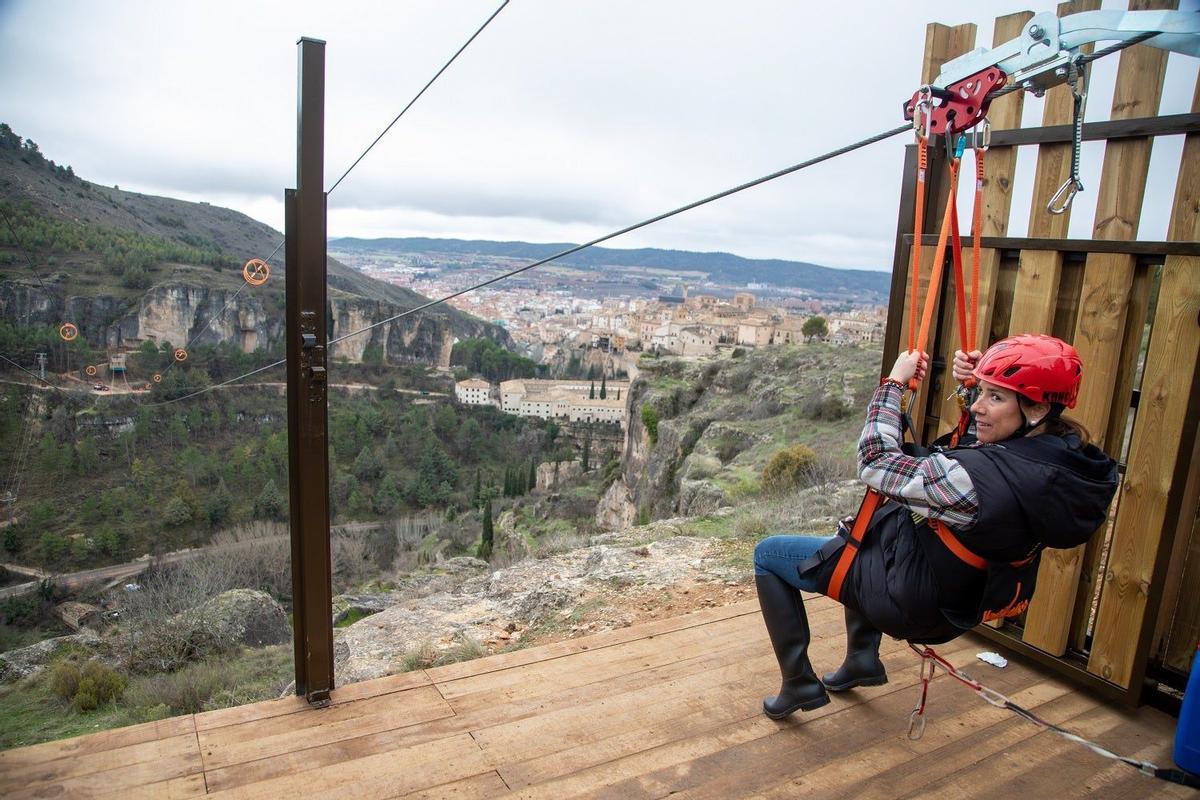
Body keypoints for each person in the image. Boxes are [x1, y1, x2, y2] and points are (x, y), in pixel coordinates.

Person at [752, 334, 1119, 719]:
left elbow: (875, 462)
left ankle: (798, 683)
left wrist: (892, 384)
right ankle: (861, 661)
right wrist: (969, 384)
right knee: (871, 533)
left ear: (1038, 408)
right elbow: (985, 453)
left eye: (995, 397)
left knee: (771, 554)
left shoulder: (969, 485)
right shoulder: (1062, 461)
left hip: (914, 601)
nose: (978, 405)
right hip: (964, 595)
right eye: (983, 392)